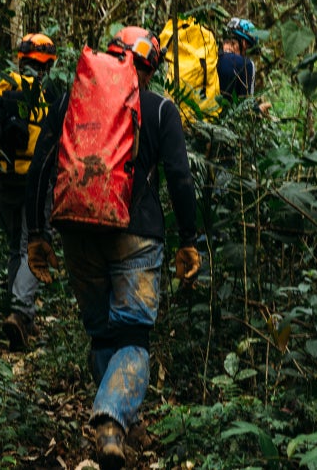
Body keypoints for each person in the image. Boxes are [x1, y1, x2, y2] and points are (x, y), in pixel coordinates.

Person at [25, 26, 199, 469]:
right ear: (151, 67)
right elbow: (179, 179)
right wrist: (189, 240)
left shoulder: (72, 99)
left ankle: (119, 420)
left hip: (78, 232)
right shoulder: (160, 109)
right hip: (138, 237)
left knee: (102, 331)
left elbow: (41, 168)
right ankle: (112, 422)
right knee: (133, 335)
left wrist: (36, 235)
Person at [0, 32, 58, 351]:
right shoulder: (51, 91)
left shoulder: (1, 85)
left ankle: (19, 318)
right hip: (35, 182)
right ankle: (20, 310)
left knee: (16, 246)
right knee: (35, 242)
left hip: (3, 179)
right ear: (50, 63)